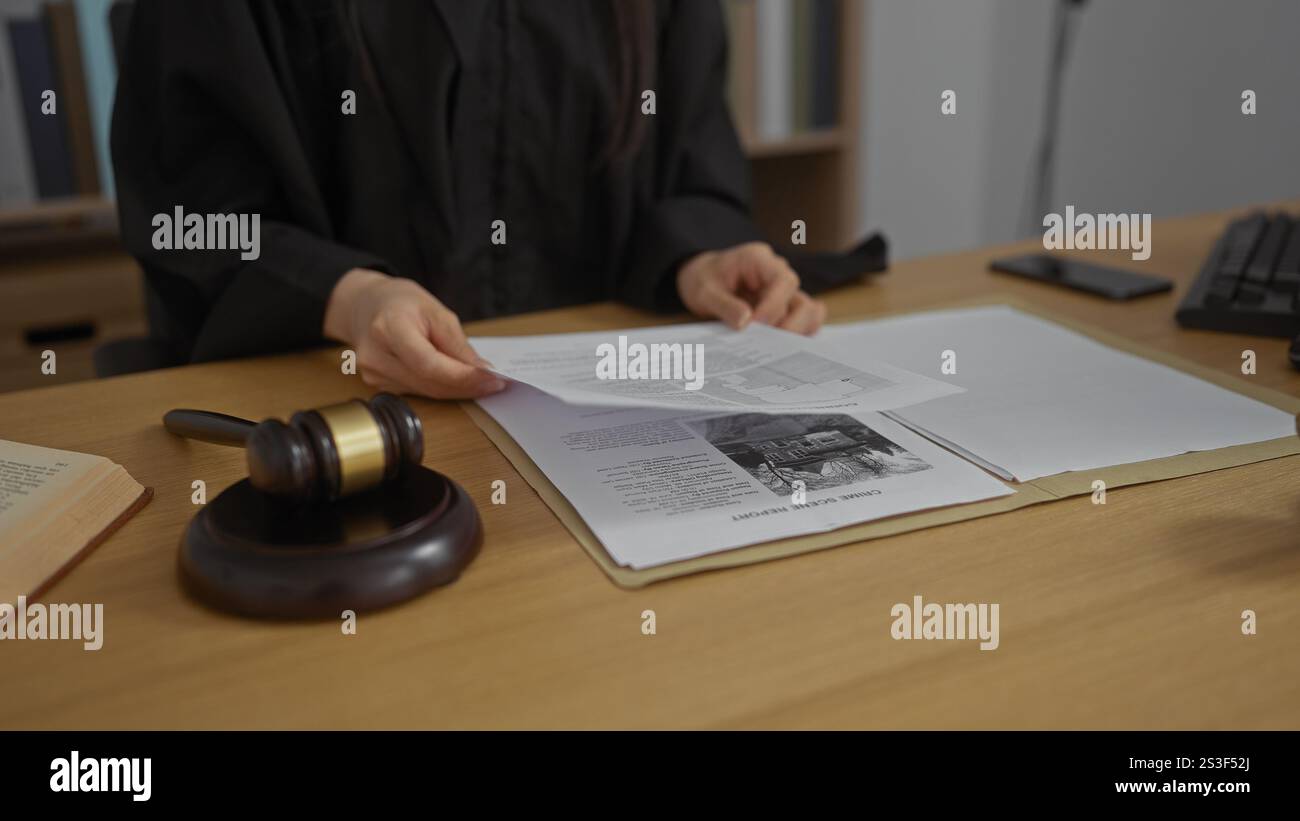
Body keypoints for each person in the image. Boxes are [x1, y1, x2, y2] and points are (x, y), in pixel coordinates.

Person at [112, 0, 827, 399]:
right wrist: (348, 295)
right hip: (327, 410)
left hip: (588, 424)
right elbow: (187, 223)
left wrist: (699, 252)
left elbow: (691, 158)